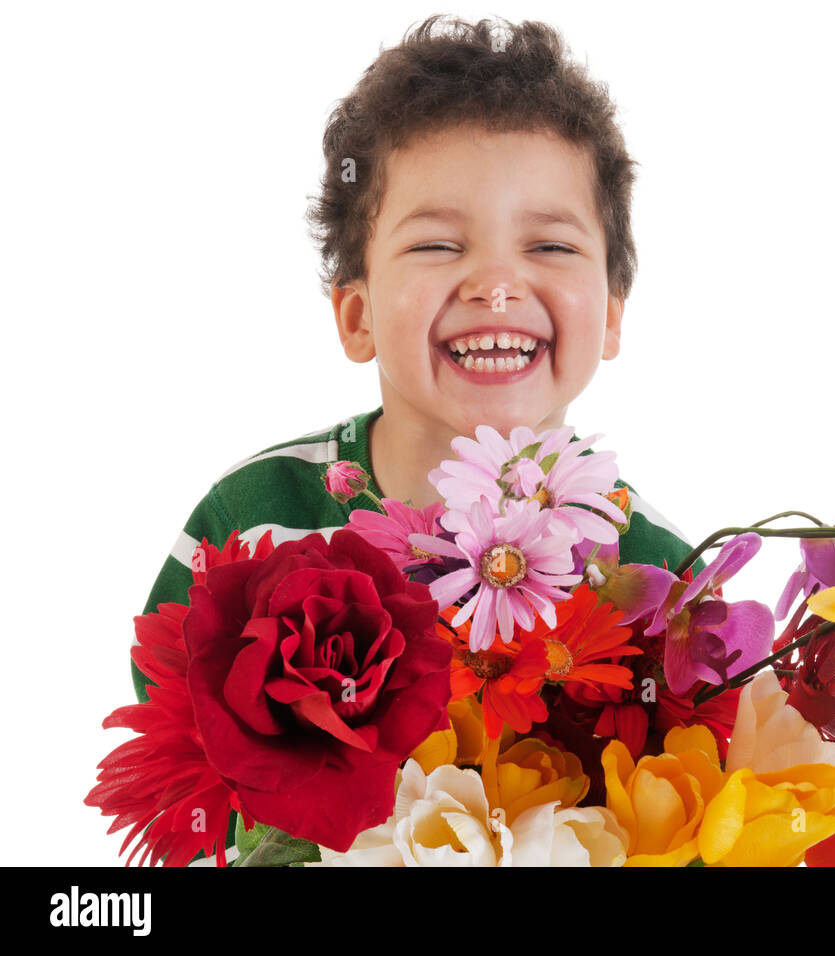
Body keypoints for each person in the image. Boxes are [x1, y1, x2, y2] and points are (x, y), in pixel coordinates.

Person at [132, 14, 698, 706]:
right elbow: (173, 740)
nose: (496, 285)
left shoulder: (653, 569)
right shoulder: (248, 521)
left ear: (611, 315)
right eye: (437, 245)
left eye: (550, 247)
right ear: (357, 316)